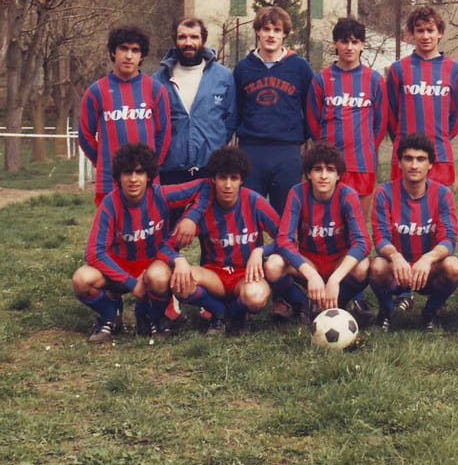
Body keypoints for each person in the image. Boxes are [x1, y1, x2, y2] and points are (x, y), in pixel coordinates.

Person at [71, 143, 208, 343]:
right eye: (127, 173)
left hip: (153, 264)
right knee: (82, 279)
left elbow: (204, 186)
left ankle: (156, 318)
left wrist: (191, 218)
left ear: (149, 176)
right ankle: (110, 316)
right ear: (119, 177)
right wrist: (131, 283)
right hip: (121, 268)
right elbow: (94, 253)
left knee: (159, 276)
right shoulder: (110, 204)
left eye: (140, 172)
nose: (134, 179)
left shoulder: (160, 194)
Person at [306, 16, 387, 318]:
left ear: (363, 45)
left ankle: (356, 293)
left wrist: (365, 147)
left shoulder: (374, 80)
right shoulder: (322, 80)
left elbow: (380, 125)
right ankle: (321, 287)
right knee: (329, 228)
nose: (349, 47)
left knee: (357, 231)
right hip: (330, 169)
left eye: (355, 41)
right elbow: (314, 123)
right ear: (335, 45)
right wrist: (328, 158)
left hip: (362, 166)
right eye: (344, 41)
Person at [172, 146, 283, 336]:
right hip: (214, 275)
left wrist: (262, 251)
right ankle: (217, 311)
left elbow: (285, 239)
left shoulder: (254, 202)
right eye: (223, 177)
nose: (228, 185)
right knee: (179, 283)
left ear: (242, 180)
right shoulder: (203, 207)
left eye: (234, 178)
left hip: (245, 274)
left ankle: (237, 314)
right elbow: (168, 245)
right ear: (213, 179)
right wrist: (178, 260)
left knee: (256, 297)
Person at [370, 133, 458, 331]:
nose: (414, 165)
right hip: (397, 269)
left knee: (453, 265)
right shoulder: (384, 193)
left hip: (428, 271)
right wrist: (395, 256)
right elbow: (380, 237)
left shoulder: (443, 194)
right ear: (399, 163)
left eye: (421, 159)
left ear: (430, 165)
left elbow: (449, 238)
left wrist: (428, 258)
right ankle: (386, 312)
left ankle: (432, 312)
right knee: (377, 266)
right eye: (408, 158)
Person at [233, 6, 314, 215]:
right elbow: (237, 109)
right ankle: (254, 249)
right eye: (266, 29)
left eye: (277, 30)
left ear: (285, 34)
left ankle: (284, 249)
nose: (271, 35)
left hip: (286, 151)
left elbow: (310, 109)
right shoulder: (243, 68)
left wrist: (301, 140)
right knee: (249, 216)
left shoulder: (300, 67)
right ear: (258, 32)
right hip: (251, 150)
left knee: (286, 217)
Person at [276, 142, 371, 314]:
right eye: (318, 169)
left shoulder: (348, 195)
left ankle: (338, 302)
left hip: (338, 260)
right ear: (308, 174)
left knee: (363, 267)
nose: (323, 175)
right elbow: (284, 240)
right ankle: (304, 303)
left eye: (330, 169)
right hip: (309, 260)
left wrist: (335, 279)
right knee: (273, 266)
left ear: (338, 175)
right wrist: (311, 274)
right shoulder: (297, 193)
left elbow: (362, 242)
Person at [79, 26, 170, 204]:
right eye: (124, 48)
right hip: (109, 183)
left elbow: (163, 135)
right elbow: (85, 136)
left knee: (146, 231)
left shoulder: (156, 90)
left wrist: (149, 169)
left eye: (135, 50)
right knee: (111, 232)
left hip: (146, 183)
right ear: (113, 52)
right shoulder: (96, 91)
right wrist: (105, 162)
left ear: (142, 56)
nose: (129, 56)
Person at [386, 5, 458, 187]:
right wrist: (402, 140)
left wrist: (441, 137)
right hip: (405, 156)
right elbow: (390, 114)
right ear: (413, 34)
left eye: (430, 30)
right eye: (420, 31)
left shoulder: (453, 69)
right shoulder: (398, 69)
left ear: (440, 33)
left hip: (440, 155)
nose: (425, 36)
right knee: (403, 211)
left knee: (439, 210)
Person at [152, 17, 236, 185]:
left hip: (211, 169)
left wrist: (212, 144)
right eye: (182, 37)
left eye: (194, 37)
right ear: (175, 41)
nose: (188, 42)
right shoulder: (158, 80)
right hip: (171, 171)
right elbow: (154, 125)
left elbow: (230, 120)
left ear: (203, 40)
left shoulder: (223, 77)